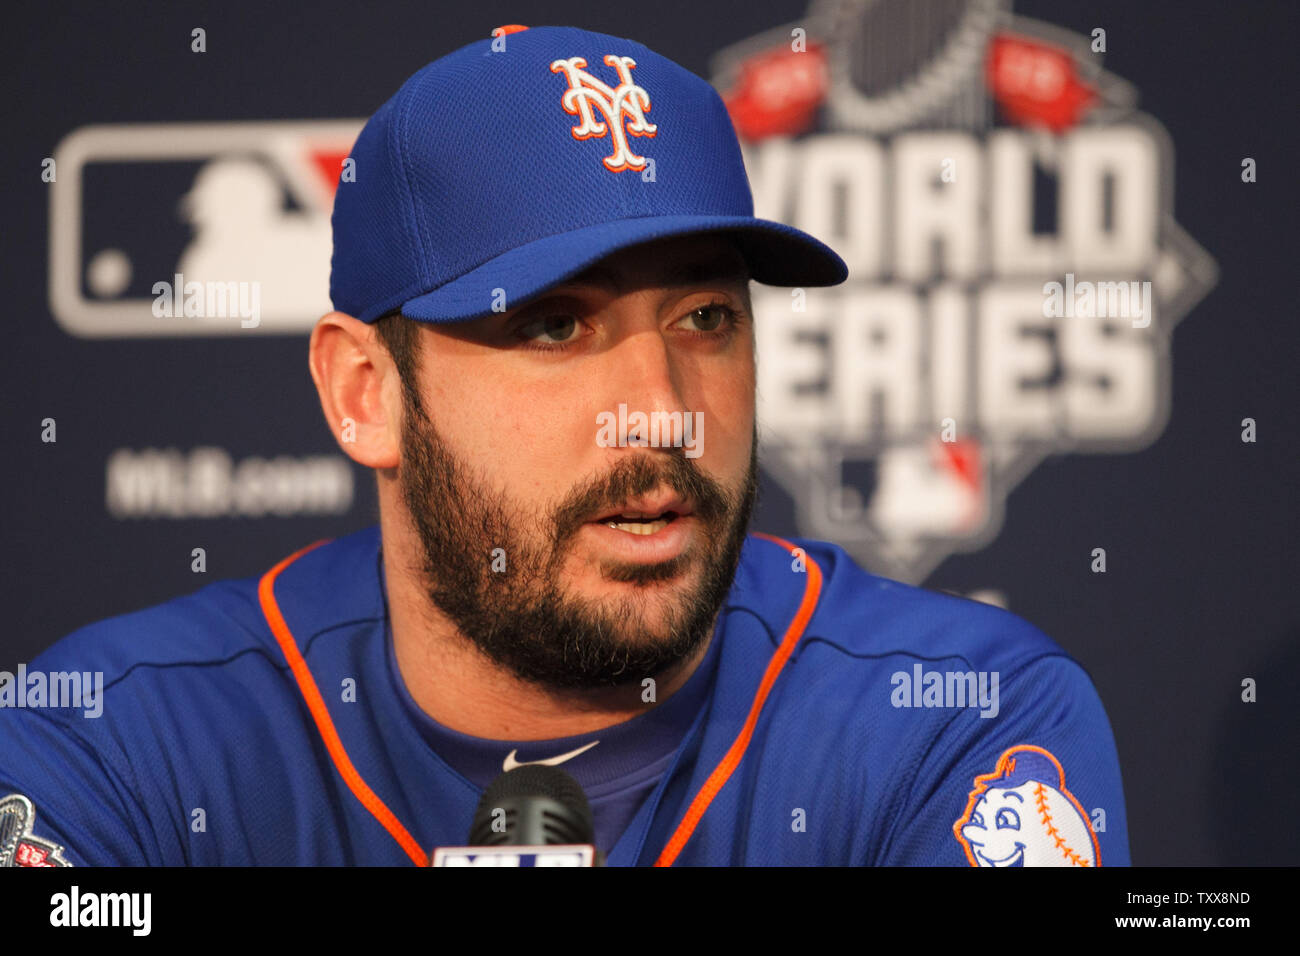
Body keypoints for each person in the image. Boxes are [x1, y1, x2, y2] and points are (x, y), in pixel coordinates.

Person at [0, 24, 1128, 866]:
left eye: (704, 319)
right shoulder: (118, 745)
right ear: (364, 393)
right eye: (553, 324)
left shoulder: (953, 720)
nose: (660, 408)